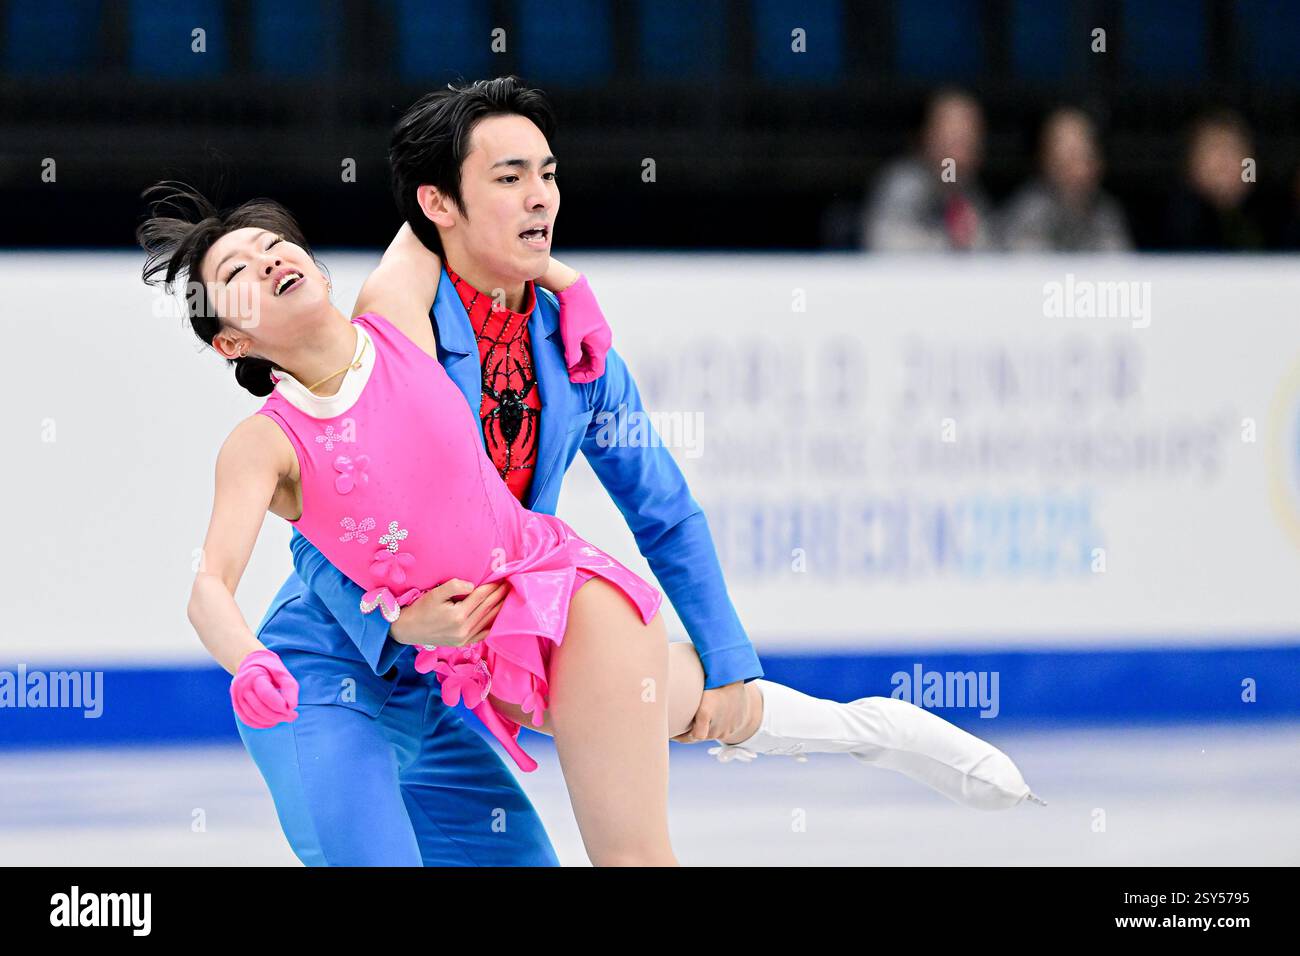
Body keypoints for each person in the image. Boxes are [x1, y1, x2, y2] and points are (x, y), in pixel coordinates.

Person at [139, 190, 1042, 865]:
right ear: (232, 343)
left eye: (271, 244)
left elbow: (457, 198)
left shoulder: (397, 316)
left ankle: (871, 729)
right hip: (332, 675)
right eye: (238, 274)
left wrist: (569, 282)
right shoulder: (268, 440)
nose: (267, 259)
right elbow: (212, 582)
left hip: (493, 626)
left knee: (694, 709)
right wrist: (249, 659)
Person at [862, 88, 996, 252]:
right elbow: (885, 242)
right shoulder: (903, 185)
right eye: (951, 140)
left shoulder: (968, 192)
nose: (957, 154)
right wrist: (949, 242)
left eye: (968, 141)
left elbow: (988, 250)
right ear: (927, 136)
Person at [1000, 107, 1132, 252]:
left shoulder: (1106, 213)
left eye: (1085, 156)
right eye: (1067, 157)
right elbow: (1030, 269)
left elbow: (1116, 265)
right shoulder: (1027, 213)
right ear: (1046, 159)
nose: (1078, 169)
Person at [1163, 109, 1266, 251]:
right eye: (1214, 149)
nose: (1225, 162)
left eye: (1234, 149)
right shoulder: (1169, 227)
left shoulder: (1273, 220)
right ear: (1191, 162)